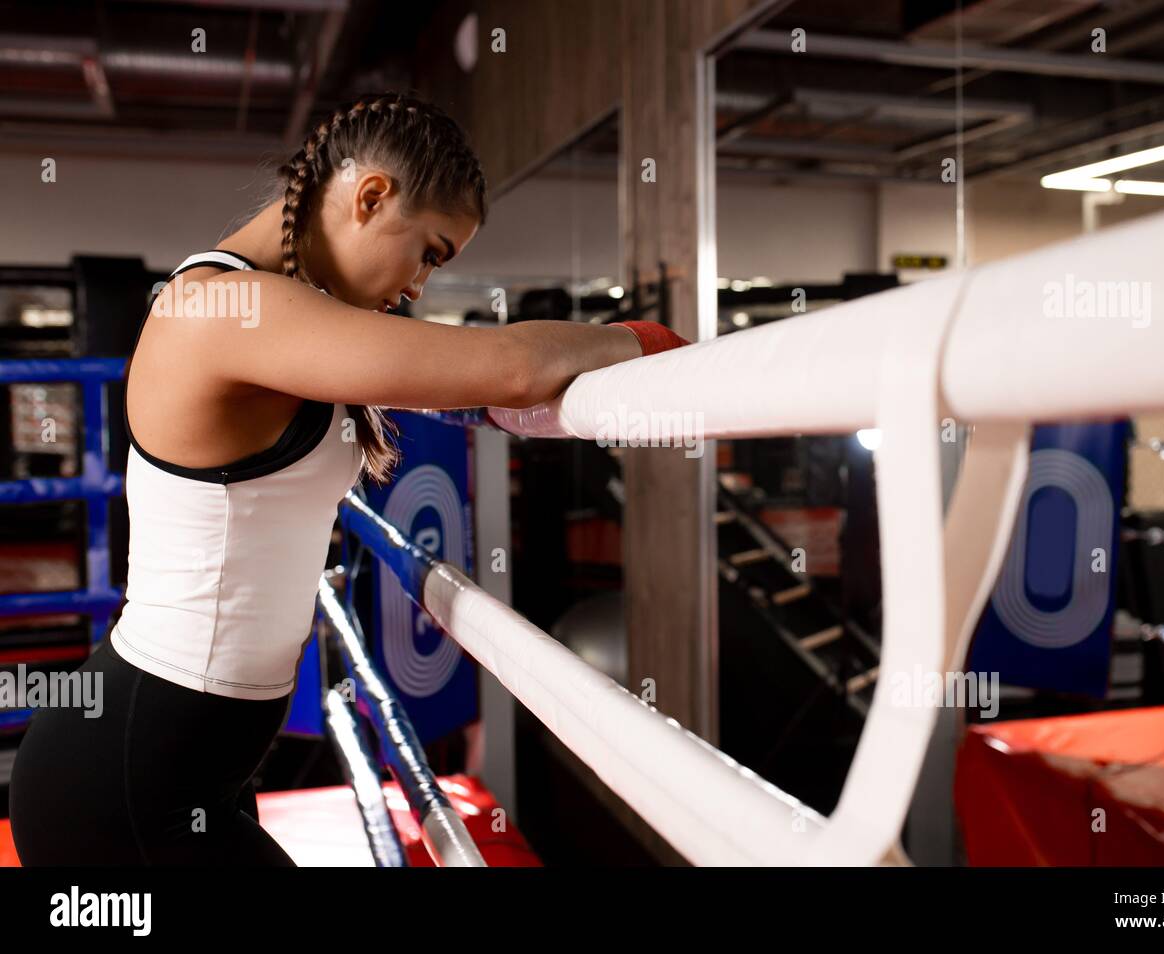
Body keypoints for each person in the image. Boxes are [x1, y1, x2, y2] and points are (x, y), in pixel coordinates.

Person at [8, 91, 687, 866]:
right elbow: (514, 367)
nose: (420, 285)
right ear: (370, 197)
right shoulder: (224, 307)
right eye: (430, 251)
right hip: (129, 781)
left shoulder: (271, 308)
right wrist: (656, 343)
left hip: (193, 762)